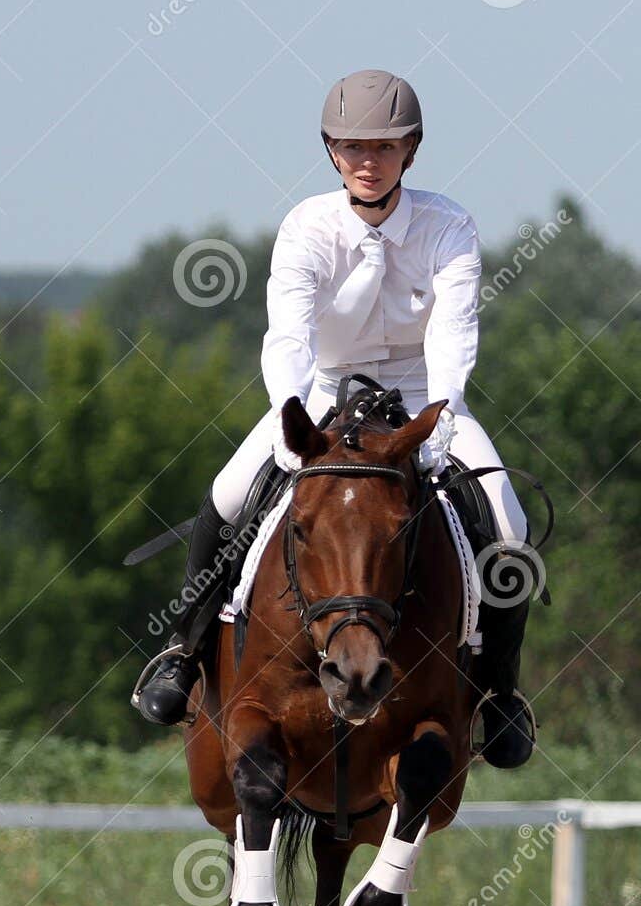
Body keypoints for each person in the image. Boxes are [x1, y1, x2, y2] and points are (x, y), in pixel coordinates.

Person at [132, 68, 536, 768]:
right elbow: (287, 335)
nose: (367, 163)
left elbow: (452, 334)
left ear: (410, 150)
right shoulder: (307, 227)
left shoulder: (448, 226)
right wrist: (293, 426)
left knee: (507, 522)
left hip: (419, 394)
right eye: (351, 147)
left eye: (383, 147)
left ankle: (501, 693)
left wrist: (438, 423)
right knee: (229, 496)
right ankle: (184, 651)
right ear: (330, 151)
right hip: (321, 393)